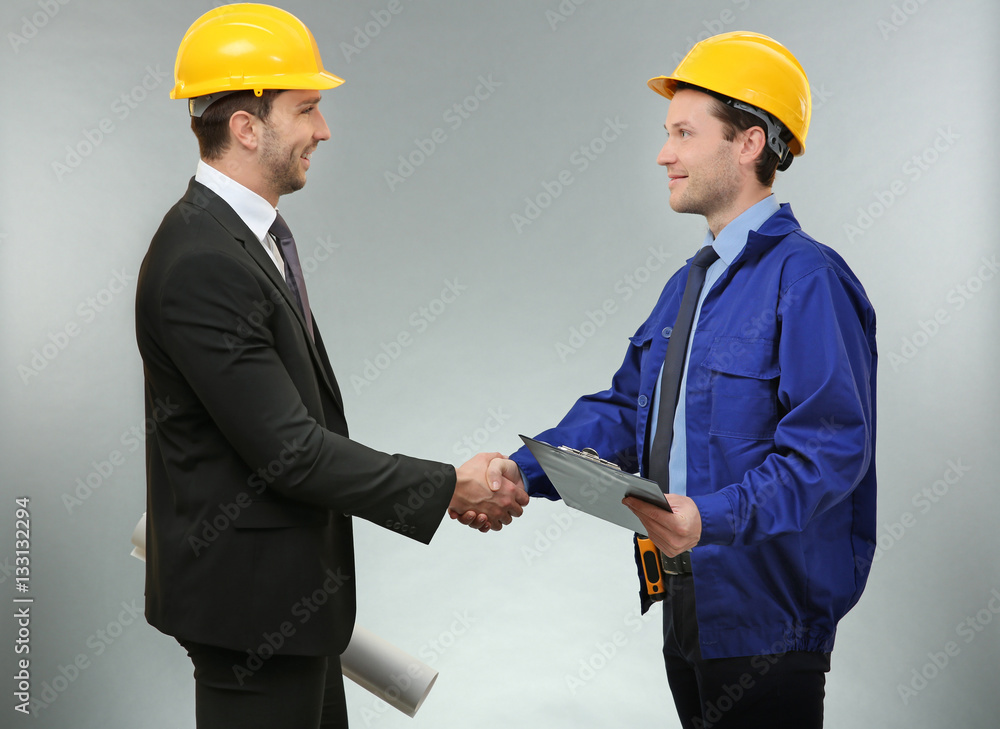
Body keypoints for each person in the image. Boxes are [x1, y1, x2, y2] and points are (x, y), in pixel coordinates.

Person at [465, 31, 877, 728]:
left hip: (767, 629)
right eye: (667, 133)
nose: (664, 153)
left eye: (684, 133)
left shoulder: (808, 279)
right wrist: (520, 470)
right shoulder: (692, 283)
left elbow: (829, 452)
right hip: (688, 617)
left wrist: (706, 518)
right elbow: (629, 411)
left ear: (748, 143)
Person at [134, 5, 528, 728]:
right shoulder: (203, 261)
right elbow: (290, 452)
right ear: (247, 126)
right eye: (307, 108)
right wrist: (448, 485)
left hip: (289, 610)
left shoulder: (240, 239)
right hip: (249, 621)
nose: (324, 129)